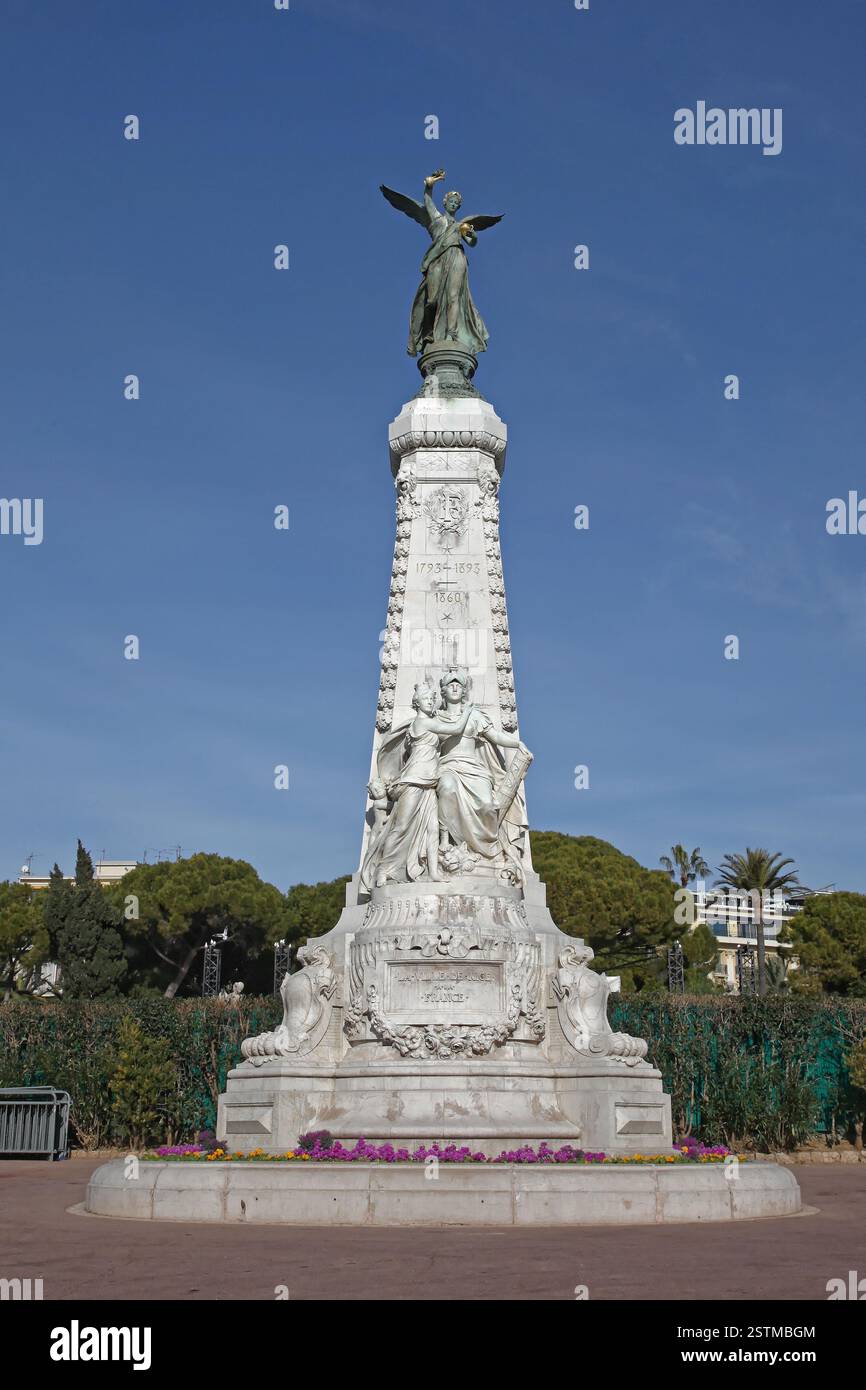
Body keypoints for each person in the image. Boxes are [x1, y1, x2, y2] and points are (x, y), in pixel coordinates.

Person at [360, 682, 474, 890]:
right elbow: (455, 729)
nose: (430, 702)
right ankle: (383, 870)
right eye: (426, 699)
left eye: (432, 699)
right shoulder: (422, 723)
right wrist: (466, 711)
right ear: (417, 703)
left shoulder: (428, 723)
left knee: (432, 830)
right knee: (401, 827)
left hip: (429, 784)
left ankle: (433, 872)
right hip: (413, 781)